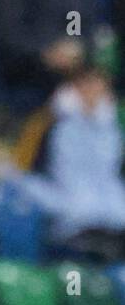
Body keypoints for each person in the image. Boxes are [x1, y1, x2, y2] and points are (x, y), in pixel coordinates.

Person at [22, 66, 125, 263]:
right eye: (88, 84)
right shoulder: (47, 122)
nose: (95, 90)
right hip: (69, 224)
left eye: (101, 85)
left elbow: (113, 174)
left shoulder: (112, 127)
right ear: (73, 86)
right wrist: (64, 207)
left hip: (115, 221)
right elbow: (23, 169)